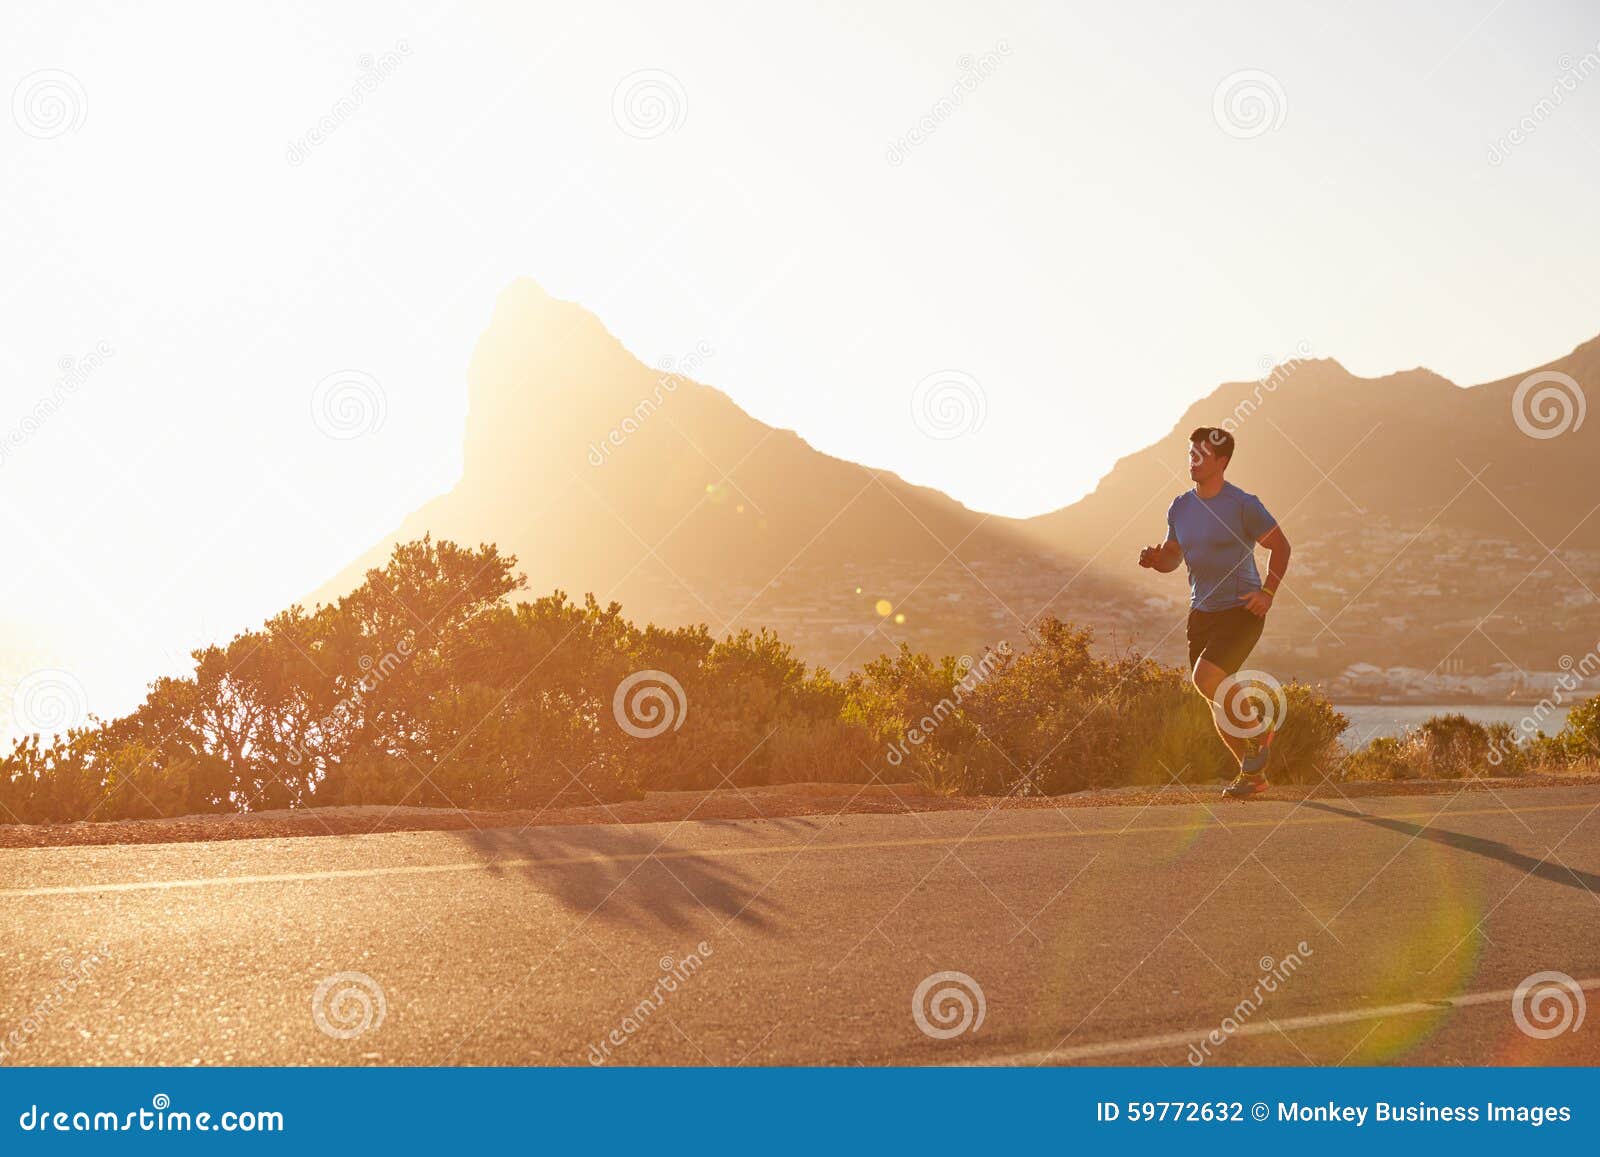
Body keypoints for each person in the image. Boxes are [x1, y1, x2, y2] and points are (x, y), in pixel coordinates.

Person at [1138, 426, 1291, 797]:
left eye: (1200, 455)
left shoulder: (1242, 504)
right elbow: (1174, 557)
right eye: (1190, 453)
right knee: (1217, 695)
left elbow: (1281, 547)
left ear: (1220, 462)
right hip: (1201, 611)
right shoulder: (1180, 507)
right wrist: (1157, 560)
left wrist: (1268, 592)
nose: (1192, 461)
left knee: (1206, 679)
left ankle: (1259, 733)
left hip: (1242, 608)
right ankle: (1252, 775)